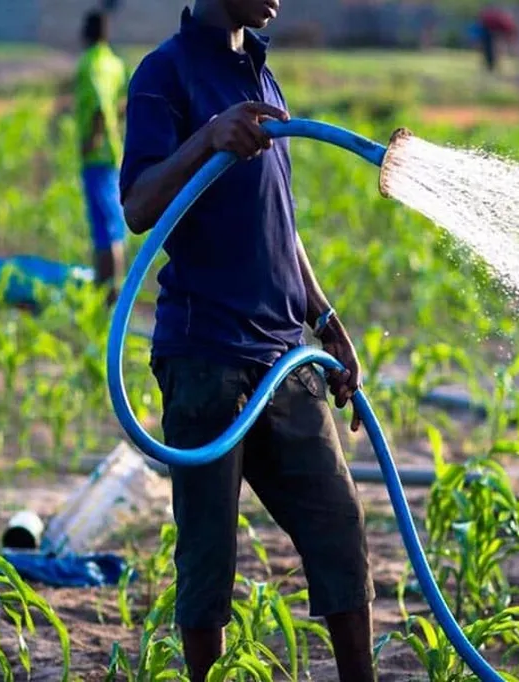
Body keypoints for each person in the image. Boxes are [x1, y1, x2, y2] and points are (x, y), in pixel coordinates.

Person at [118, 1, 376, 681]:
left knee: (340, 530)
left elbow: (279, 221)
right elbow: (138, 205)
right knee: (208, 559)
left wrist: (326, 321)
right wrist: (207, 139)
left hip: (285, 358)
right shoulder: (164, 75)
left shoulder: (263, 76)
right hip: (206, 357)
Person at [75, 10, 130, 305]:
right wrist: (113, 126)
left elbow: (97, 103)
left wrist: (93, 138)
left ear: (86, 33)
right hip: (113, 151)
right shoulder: (115, 63)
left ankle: (109, 293)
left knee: (104, 226)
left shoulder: (89, 64)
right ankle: (109, 289)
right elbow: (124, 101)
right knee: (112, 223)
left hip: (97, 155)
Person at [475, 5, 519, 73]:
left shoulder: (507, 24)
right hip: (488, 31)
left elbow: (508, 39)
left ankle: (492, 67)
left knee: (494, 50)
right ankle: (490, 67)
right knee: (491, 50)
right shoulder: (505, 24)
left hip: (492, 30)